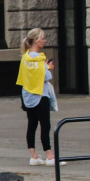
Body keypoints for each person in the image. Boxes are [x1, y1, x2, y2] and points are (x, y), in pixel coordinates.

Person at [16, 27, 56, 166]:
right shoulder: (39, 59)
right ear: (36, 40)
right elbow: (47, 76)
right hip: (40, 94)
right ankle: (49, 155)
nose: (45, 41)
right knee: (45, 124)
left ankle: (33, 155)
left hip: (28, 95)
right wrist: (49, 67)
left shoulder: (25, 58)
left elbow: (23, 77)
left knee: (32, 124)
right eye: (43, 38)